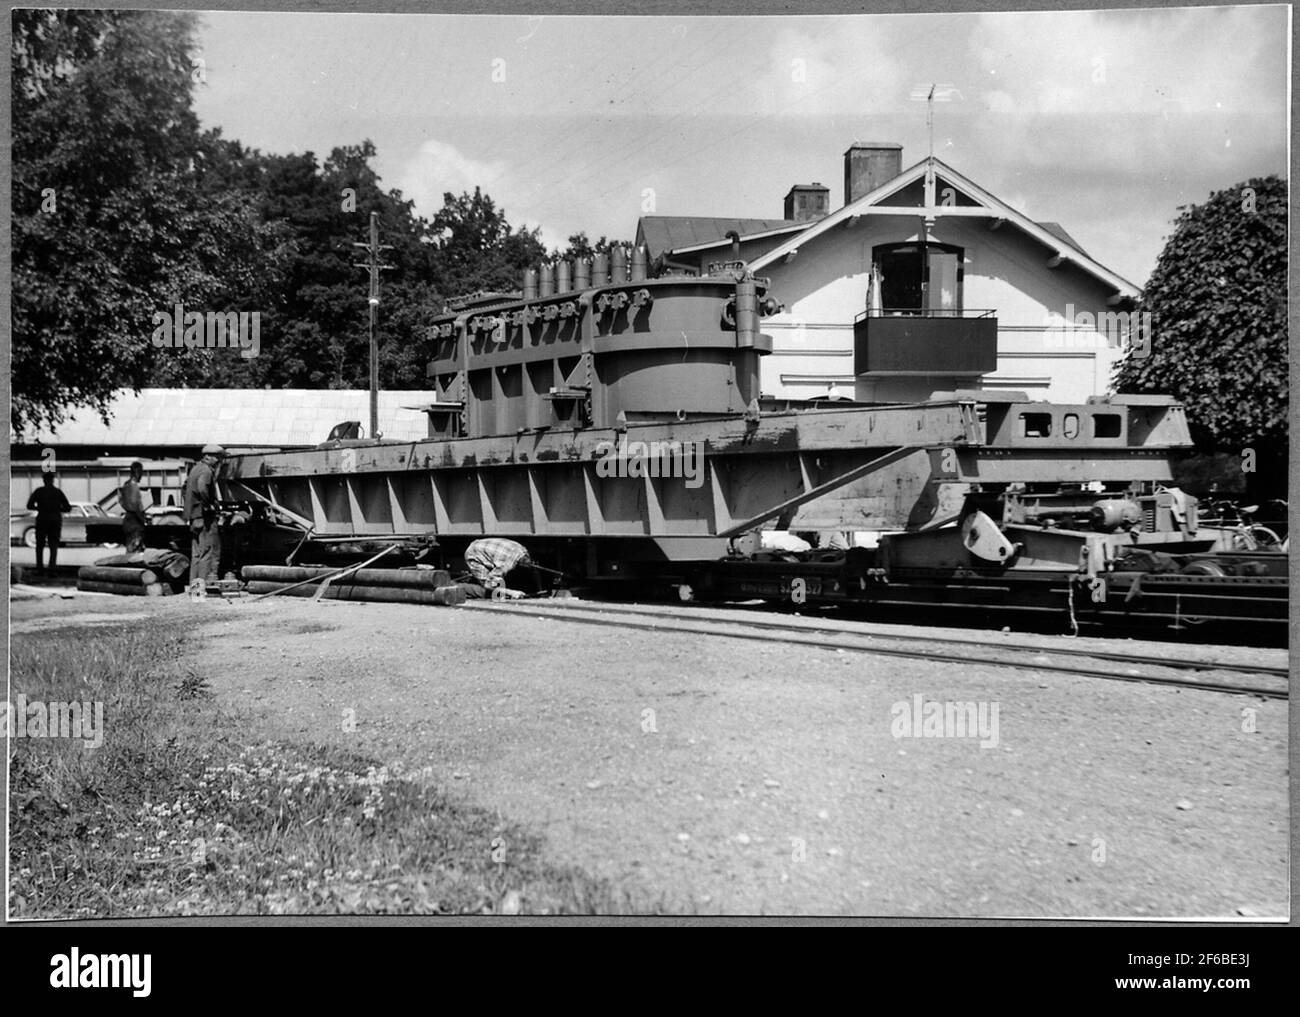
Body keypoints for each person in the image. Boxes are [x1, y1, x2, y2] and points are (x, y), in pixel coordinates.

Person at [184, 444, 224, 585]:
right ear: (207, 456)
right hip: (203, 517)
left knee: (196, 555)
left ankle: (193, 589)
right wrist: (209, 504)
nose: (218, 460)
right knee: (206, 553)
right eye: (216, 457)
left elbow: (186, 489)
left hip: (193, 517)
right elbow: (202, 487)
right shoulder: (206, 470)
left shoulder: (195, 469)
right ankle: (199, 592)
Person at [27, 472, 71, 575]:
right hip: (55, 520)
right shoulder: (58, 492)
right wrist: (57, 509)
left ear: (44, 480)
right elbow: (68, 508)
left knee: (39, 546)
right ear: (53, 480)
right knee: (53, 546)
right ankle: (52, 569)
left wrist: (40, 508)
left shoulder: (39, 491)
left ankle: (40, 569)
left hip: (42, 519)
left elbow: (29, 505)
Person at [463, 537, 538, 596]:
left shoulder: (522, 550)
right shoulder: (505, 564)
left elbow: (534, 571)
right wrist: (511, 592)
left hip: (482, 546)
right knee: (488, 592)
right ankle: (461, 587)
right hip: (474, 554)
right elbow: (489, 584)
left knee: (500, 583)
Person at [119, 461, 148, 553]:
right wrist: (143, 519)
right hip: (135, 523)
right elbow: (135, 505)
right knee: (136, 552)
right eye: (141, 473)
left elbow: (121, 501)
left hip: (127, 521)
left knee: (129, 549)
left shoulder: (125, 485)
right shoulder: (134, 487)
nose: (141, 476)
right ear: (137, 472)